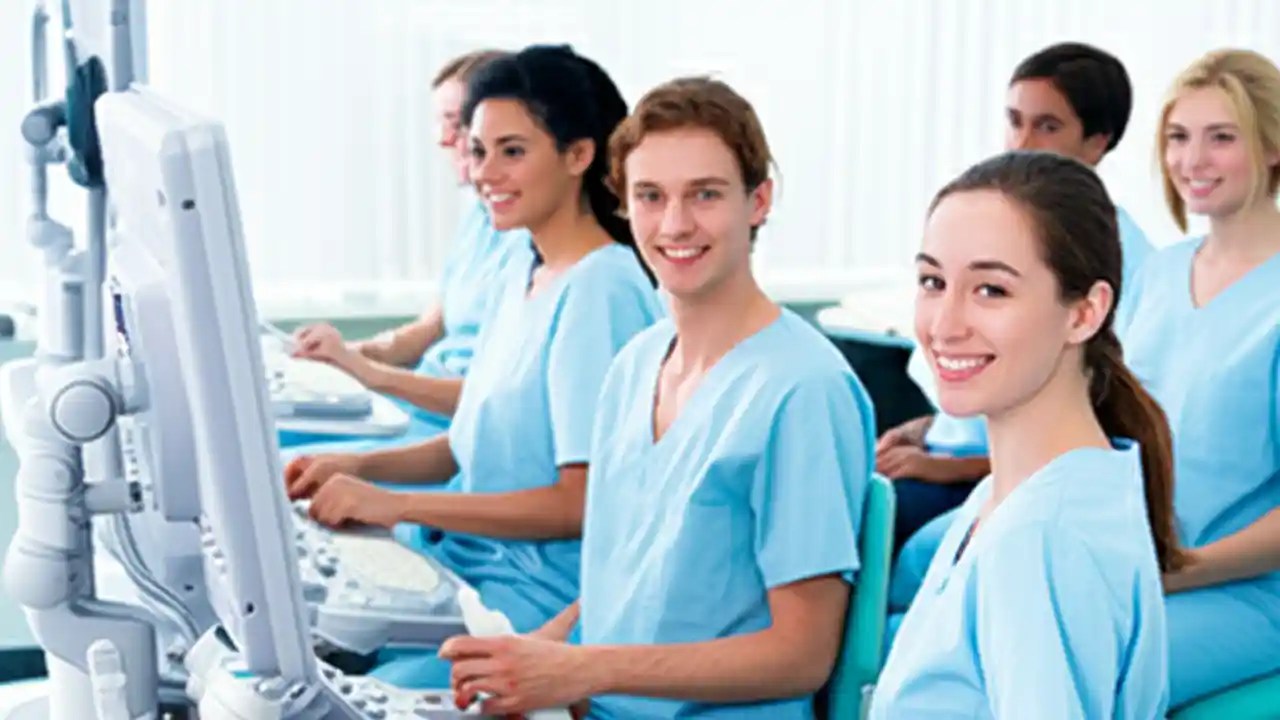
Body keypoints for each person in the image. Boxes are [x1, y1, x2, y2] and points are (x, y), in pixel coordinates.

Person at [436, 77, 874, 719]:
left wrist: (583, 669)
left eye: (705, 195)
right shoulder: (636, 363)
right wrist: (530, 656)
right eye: (650, 196)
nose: (674, 224)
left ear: (759, 201)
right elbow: (626, 583)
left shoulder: (803, 389)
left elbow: (801, 653)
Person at [283, 45, 664, 688]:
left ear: (579, 155)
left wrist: (398, 505)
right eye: (480, 149)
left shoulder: (602, 290)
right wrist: (351, 468)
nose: (485, 172)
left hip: (535, 601)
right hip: (466, 568)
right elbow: (467, 446)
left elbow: (577, 505)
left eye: (512, 151)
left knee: (356, 691)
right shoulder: (523, 266)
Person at [870, 150, 1181, 718]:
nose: (944, 325)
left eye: (991, 290)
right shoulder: (1026, 494)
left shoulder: (1038, 537)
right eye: (933, 281)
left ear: (1084, 313)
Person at [883, 41, 1154, 562]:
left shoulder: (1124, 260)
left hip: (988, 473)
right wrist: (927, 431)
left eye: (1047, 125)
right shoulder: (990, 223)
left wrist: (948, 468)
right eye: (1014, 120)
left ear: (1098, 142)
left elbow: (1080, 410)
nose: (1022, 142)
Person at [1121, 48, 1280, 707]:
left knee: (1093, 662)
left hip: (1246, 589)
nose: (1192, 161)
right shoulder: (1159, 274)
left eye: (1222, 138)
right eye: (1178, 138)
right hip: (1138, 565)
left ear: (1273, 148)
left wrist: (1180, 572)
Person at [283, 49, 529, 447]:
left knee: (280, 464)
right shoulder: (479, 221)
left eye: (454, 124)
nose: (442, 139)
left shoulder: (537, 250)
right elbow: (429, 328)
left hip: (445, 421)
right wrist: (342, 355)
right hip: (418, 401)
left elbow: (501, 404)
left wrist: (366, 370)